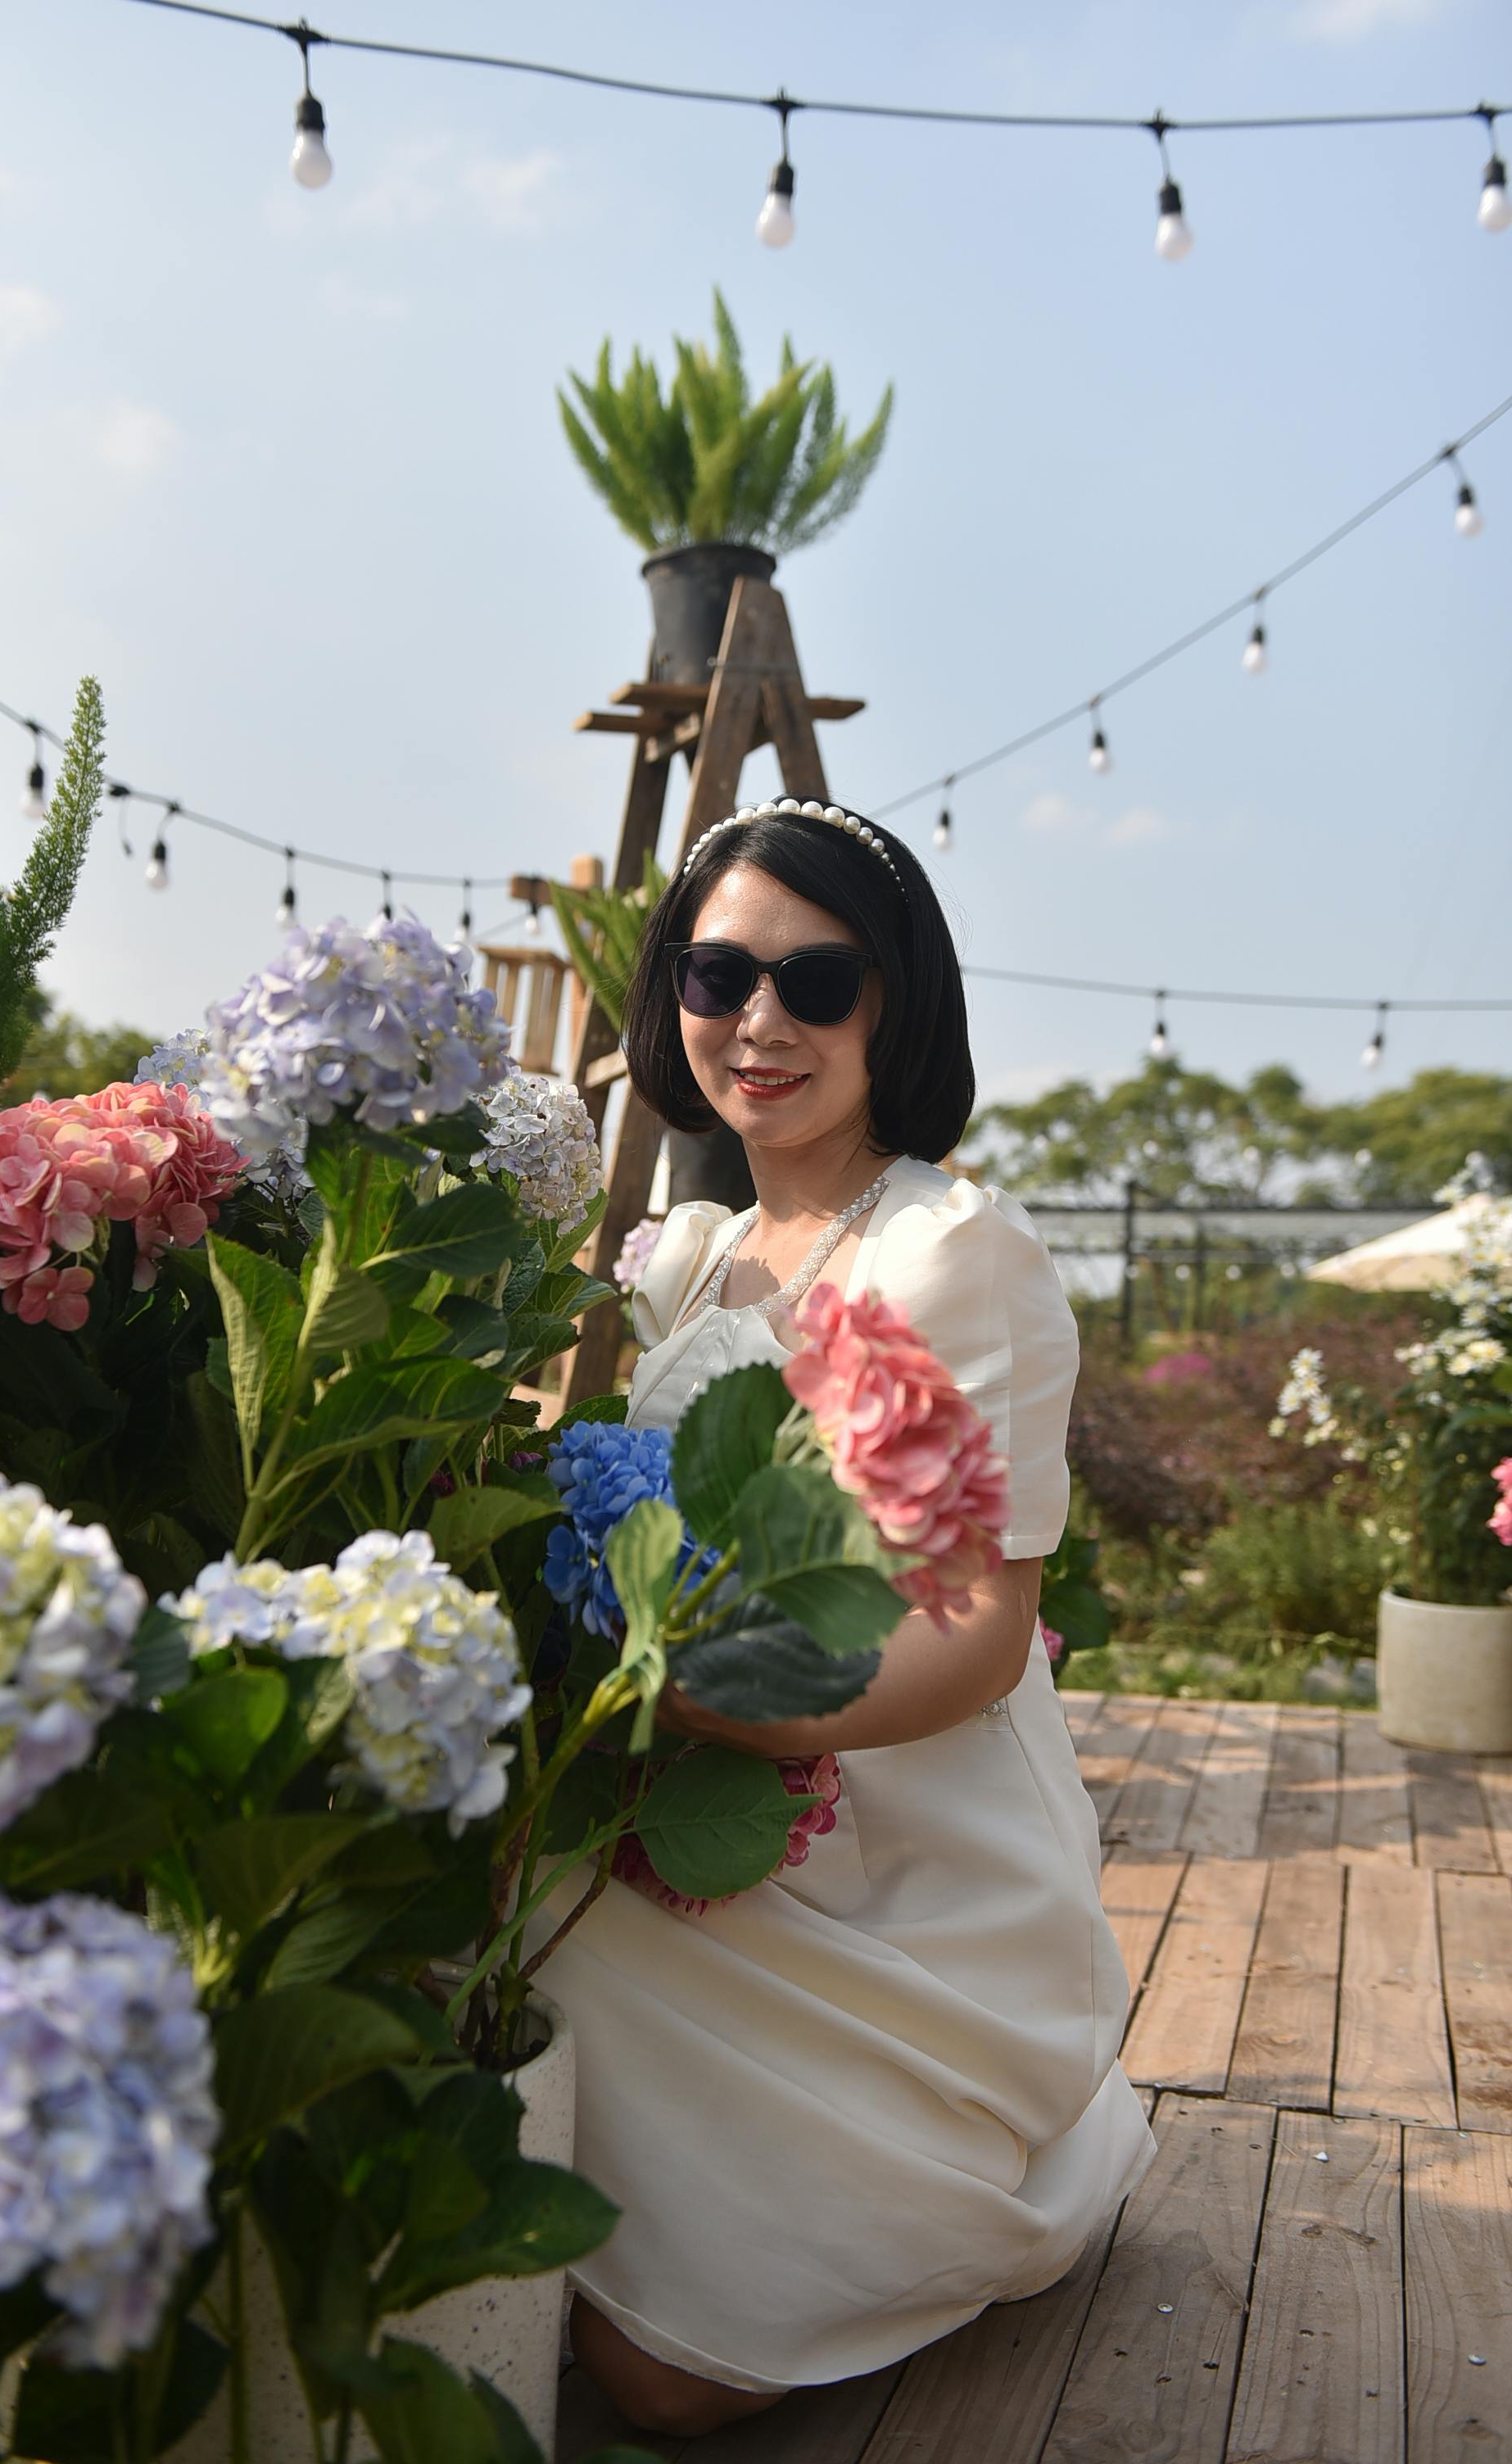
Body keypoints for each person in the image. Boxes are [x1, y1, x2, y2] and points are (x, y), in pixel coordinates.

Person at [528, 796, 1156, 2439]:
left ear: (897, 1005)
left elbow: (978, 1628)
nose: (760, 1019)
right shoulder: (687, 1255)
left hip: (894, 1860)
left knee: (660, 2384)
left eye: (817, 982)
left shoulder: (950, 1253)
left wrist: (726, 1713)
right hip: (676, 1799)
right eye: (717, 973)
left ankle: (1019, 2161)